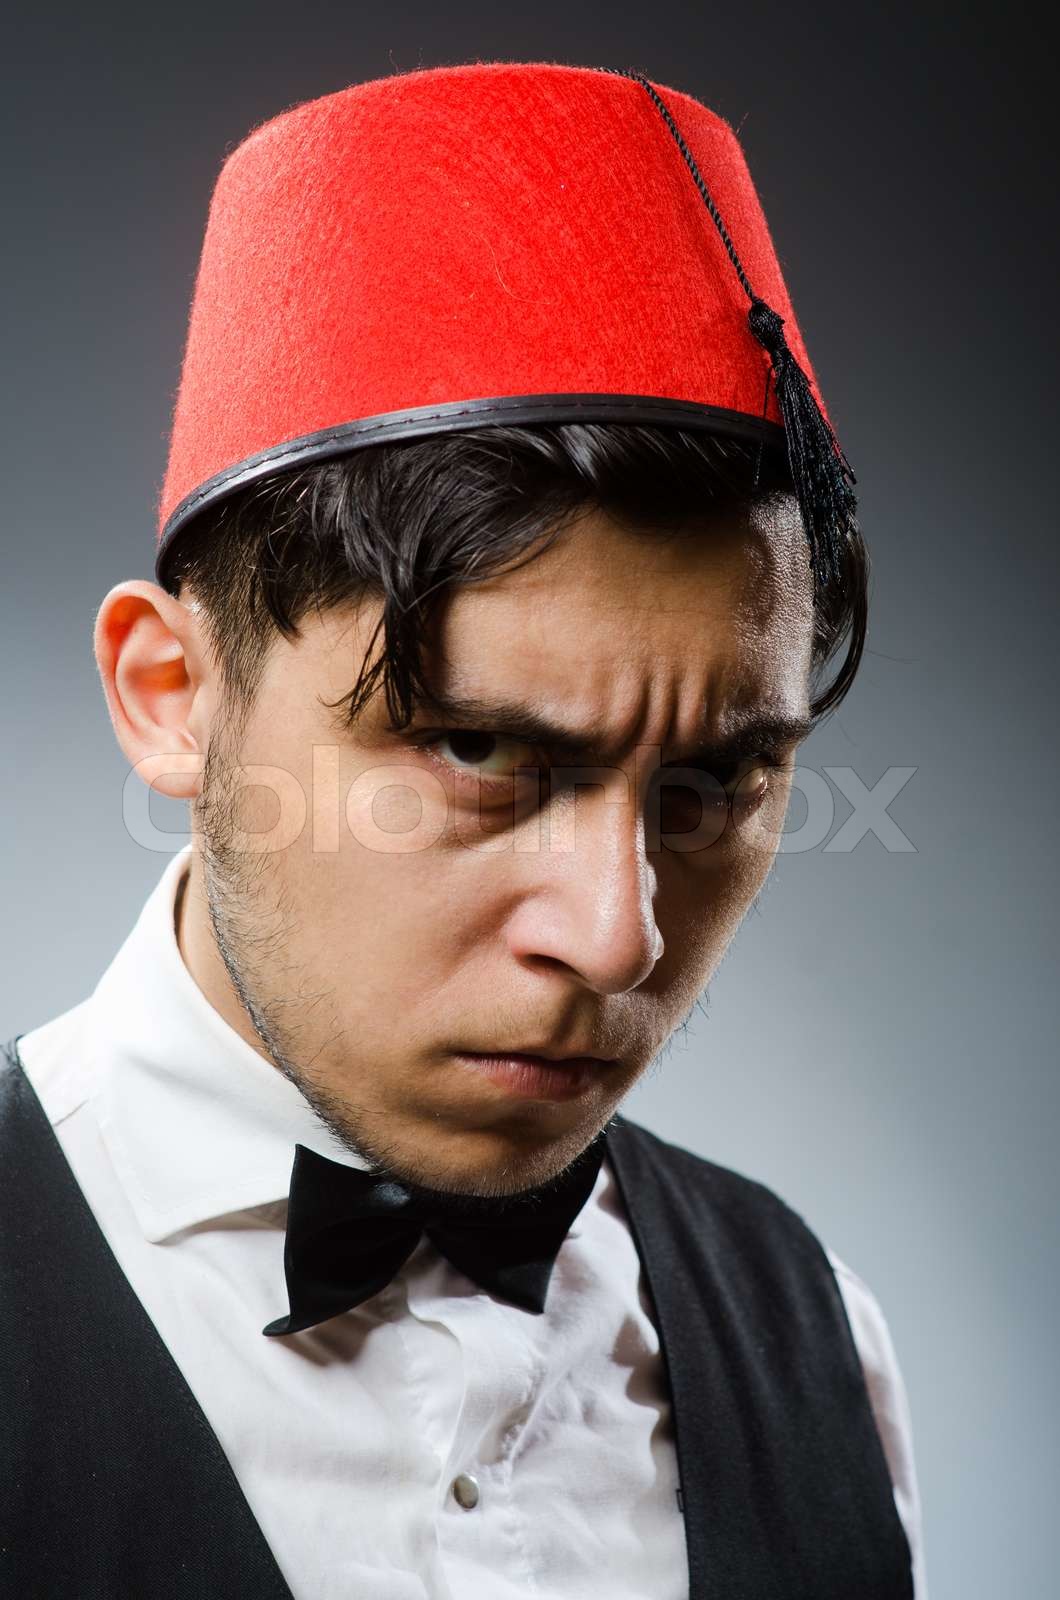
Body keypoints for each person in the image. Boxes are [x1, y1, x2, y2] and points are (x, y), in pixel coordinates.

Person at [1, 60, 928, 1598]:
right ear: (173, 695)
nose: (617, 933)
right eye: (481, 747)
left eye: (718, 782)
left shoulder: (823, 1339)